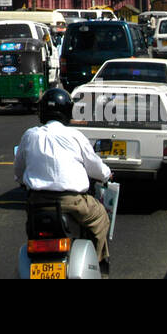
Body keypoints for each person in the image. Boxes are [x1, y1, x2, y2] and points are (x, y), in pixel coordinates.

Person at [14, 88, 113, 269]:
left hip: (38, 203)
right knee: (101, 218)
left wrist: (22, 180)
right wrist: (107, 174)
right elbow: (96, 168)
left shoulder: (30, 135)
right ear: (68, 111)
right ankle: (98, 264)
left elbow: (19, 171)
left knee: (34, 229)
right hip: (72, 203)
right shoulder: (75, 135)